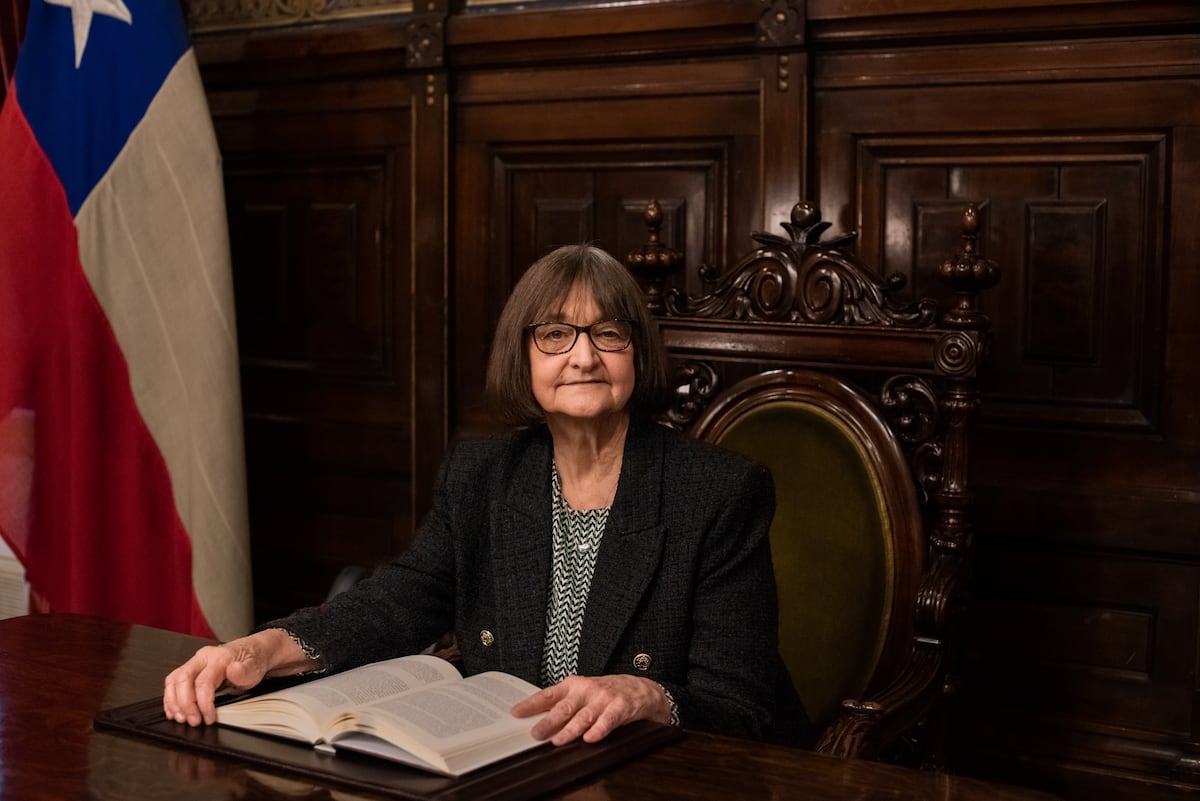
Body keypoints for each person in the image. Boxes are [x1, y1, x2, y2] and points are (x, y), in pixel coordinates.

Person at [163, 244, 809, 747]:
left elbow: (742, 705)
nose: (584, 356)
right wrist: (262, 648)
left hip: (651, 773)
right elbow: (399, 598)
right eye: (555, 334)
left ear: (636, 353)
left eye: (608, 333)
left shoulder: (718, 492)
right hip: (508, 762)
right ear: (523, 357)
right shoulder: (483, 473)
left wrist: (651, 696)